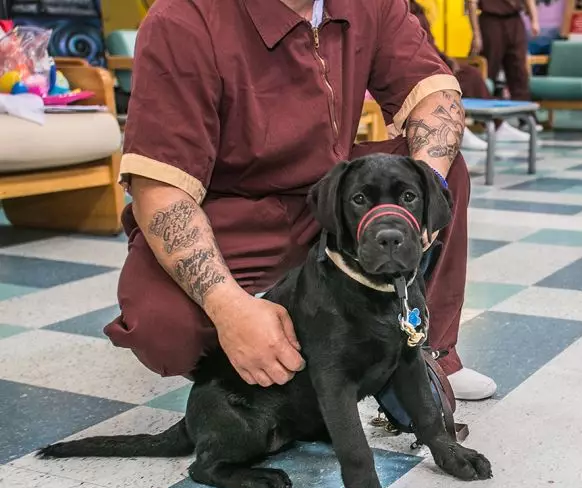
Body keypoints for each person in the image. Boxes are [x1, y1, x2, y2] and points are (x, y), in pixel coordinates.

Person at [103, 0, 498, 401]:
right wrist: (229, 308)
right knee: (163, 327)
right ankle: (265, 366)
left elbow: (435, 95)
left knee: (430, 180)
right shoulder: (184, 18)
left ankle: (425, 352)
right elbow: (161, 187)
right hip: (230, 210)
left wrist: (424, 186)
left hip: (331, 200)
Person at [409, 0, 530, 147]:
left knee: (470, 74)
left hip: (434, 63)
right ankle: (456, 131)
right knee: (447, 82)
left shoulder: (418, 9)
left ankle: (498, 127)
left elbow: (430, 44)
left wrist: (446, 59)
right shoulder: (399, 12)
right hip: (416, 68)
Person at [468, 0, 540, 132]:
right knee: (488, 70)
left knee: (519, 71)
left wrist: (534, 20)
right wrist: (476, 34)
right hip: (491, 21)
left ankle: (525, 117)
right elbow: (472, 4)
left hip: (515, 20)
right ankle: (483, 116)